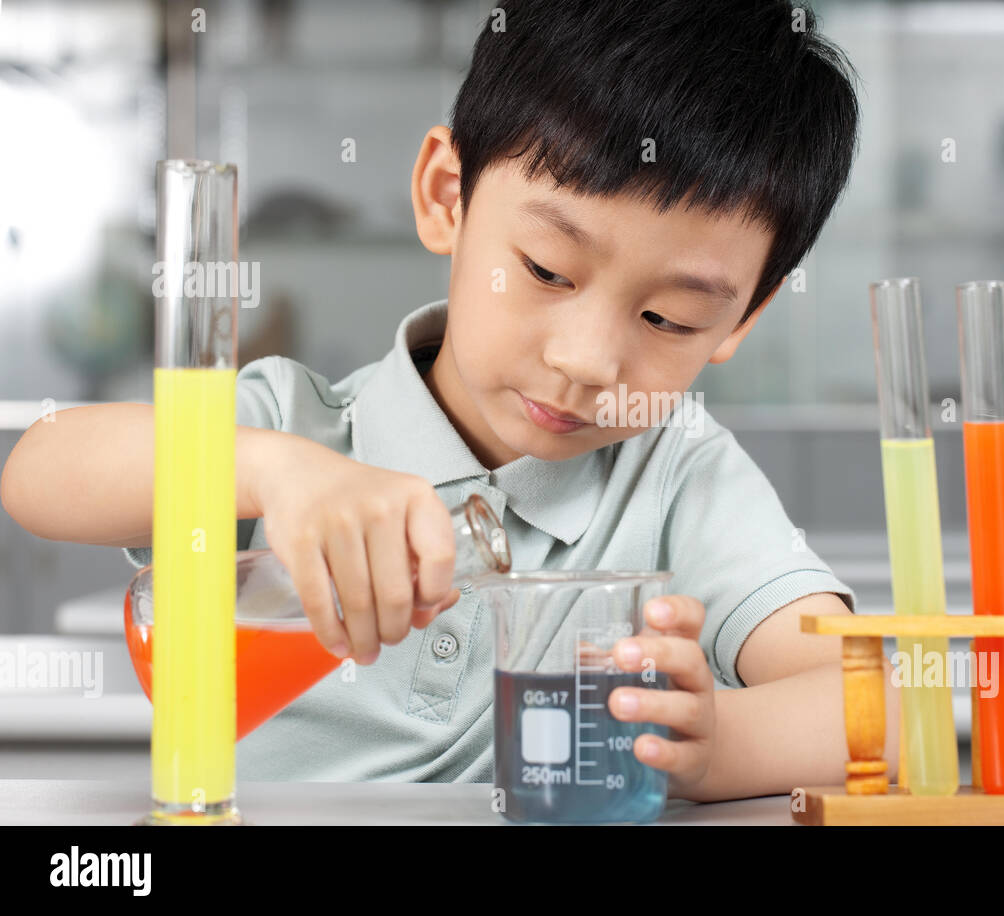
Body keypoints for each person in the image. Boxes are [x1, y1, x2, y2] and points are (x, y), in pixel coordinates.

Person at [2, 0, 899, 801]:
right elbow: (38, 468)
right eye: (546, 271)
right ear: (446, 197)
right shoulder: (296, 429)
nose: (587, 361)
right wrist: (267, 473)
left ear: (742, 317)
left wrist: (719, 745)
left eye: (667, 318)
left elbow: (879, 705)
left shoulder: (678, 482)